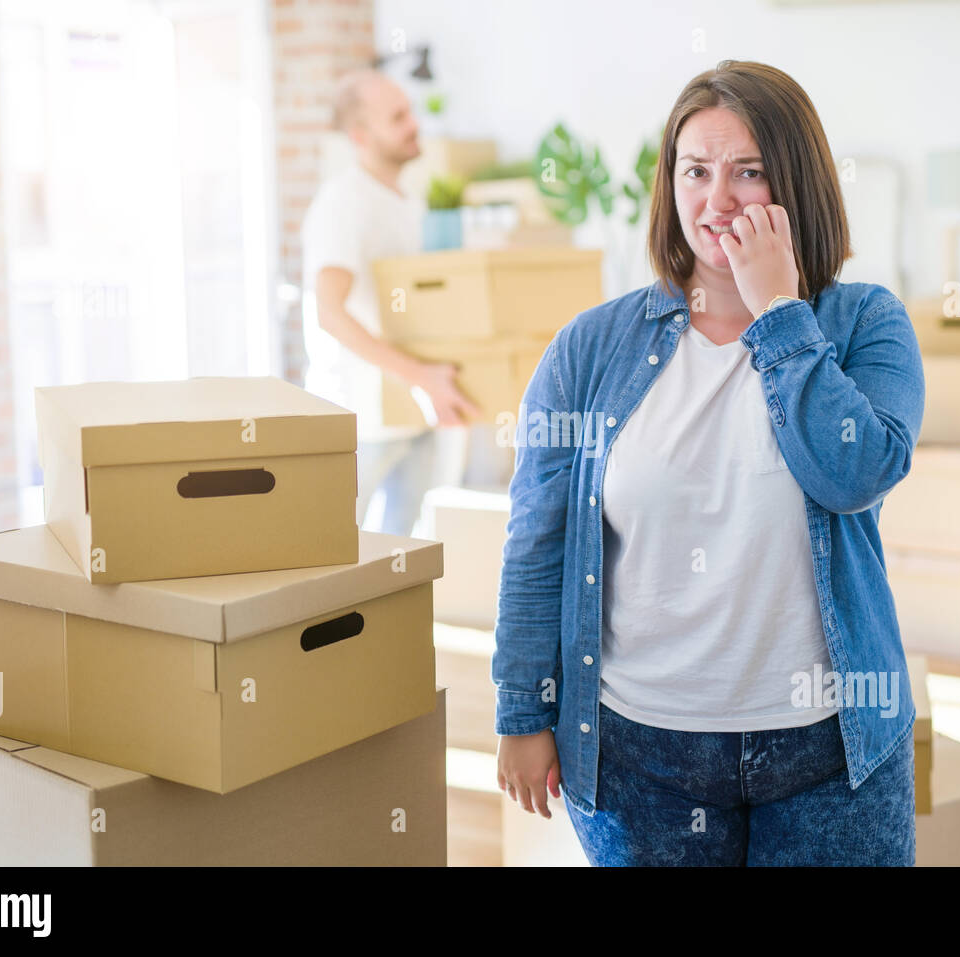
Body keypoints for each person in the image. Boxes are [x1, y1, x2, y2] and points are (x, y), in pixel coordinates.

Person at [492, 60, 926, 866]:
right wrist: (523, 710)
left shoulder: (866, 323)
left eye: (749, 172)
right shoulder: (589, 348)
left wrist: (782, 315)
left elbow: (856, 473)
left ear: (795, 183)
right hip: (642, 758)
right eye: (696, 171)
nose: (717, 200)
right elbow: (534, 543)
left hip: (829, 754)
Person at [301, 68, 480, 536]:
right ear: (360, 135)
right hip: (357, 423)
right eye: (397, 116)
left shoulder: (406, 200)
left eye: (410, 111)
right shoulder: (344, 202)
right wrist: (423, 377)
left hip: (408, 414)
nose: (413, 124)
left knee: (396, 567)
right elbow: (329, 314)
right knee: (333, 564)